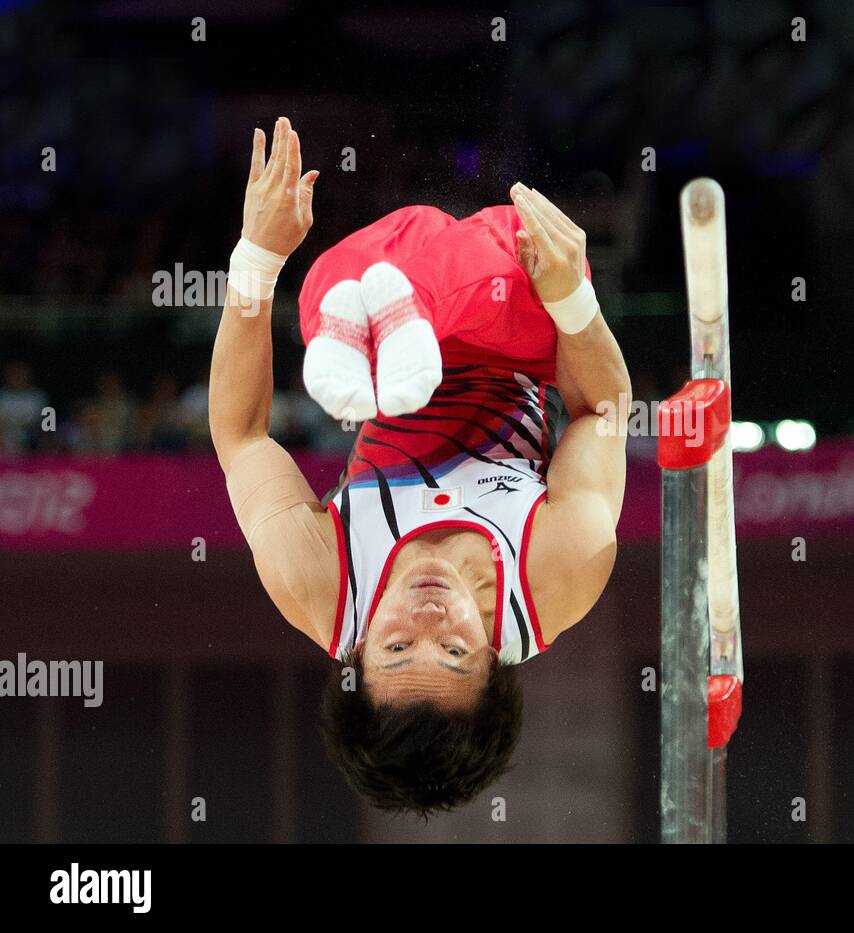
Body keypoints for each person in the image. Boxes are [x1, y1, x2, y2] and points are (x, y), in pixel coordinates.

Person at [209, 118, 630, 815]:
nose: (428, 615)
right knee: (494, 271)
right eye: (456, 652)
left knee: (333, 286)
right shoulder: (560, 570)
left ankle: (382, 320)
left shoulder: (320, 586)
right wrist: (571, 298)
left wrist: (256, 257)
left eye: (398, 645)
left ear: (356, 659)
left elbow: (241, 436)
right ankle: (399, 317)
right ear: (496, 666)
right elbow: (601, 412)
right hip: (515, 334)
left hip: (372, 313)